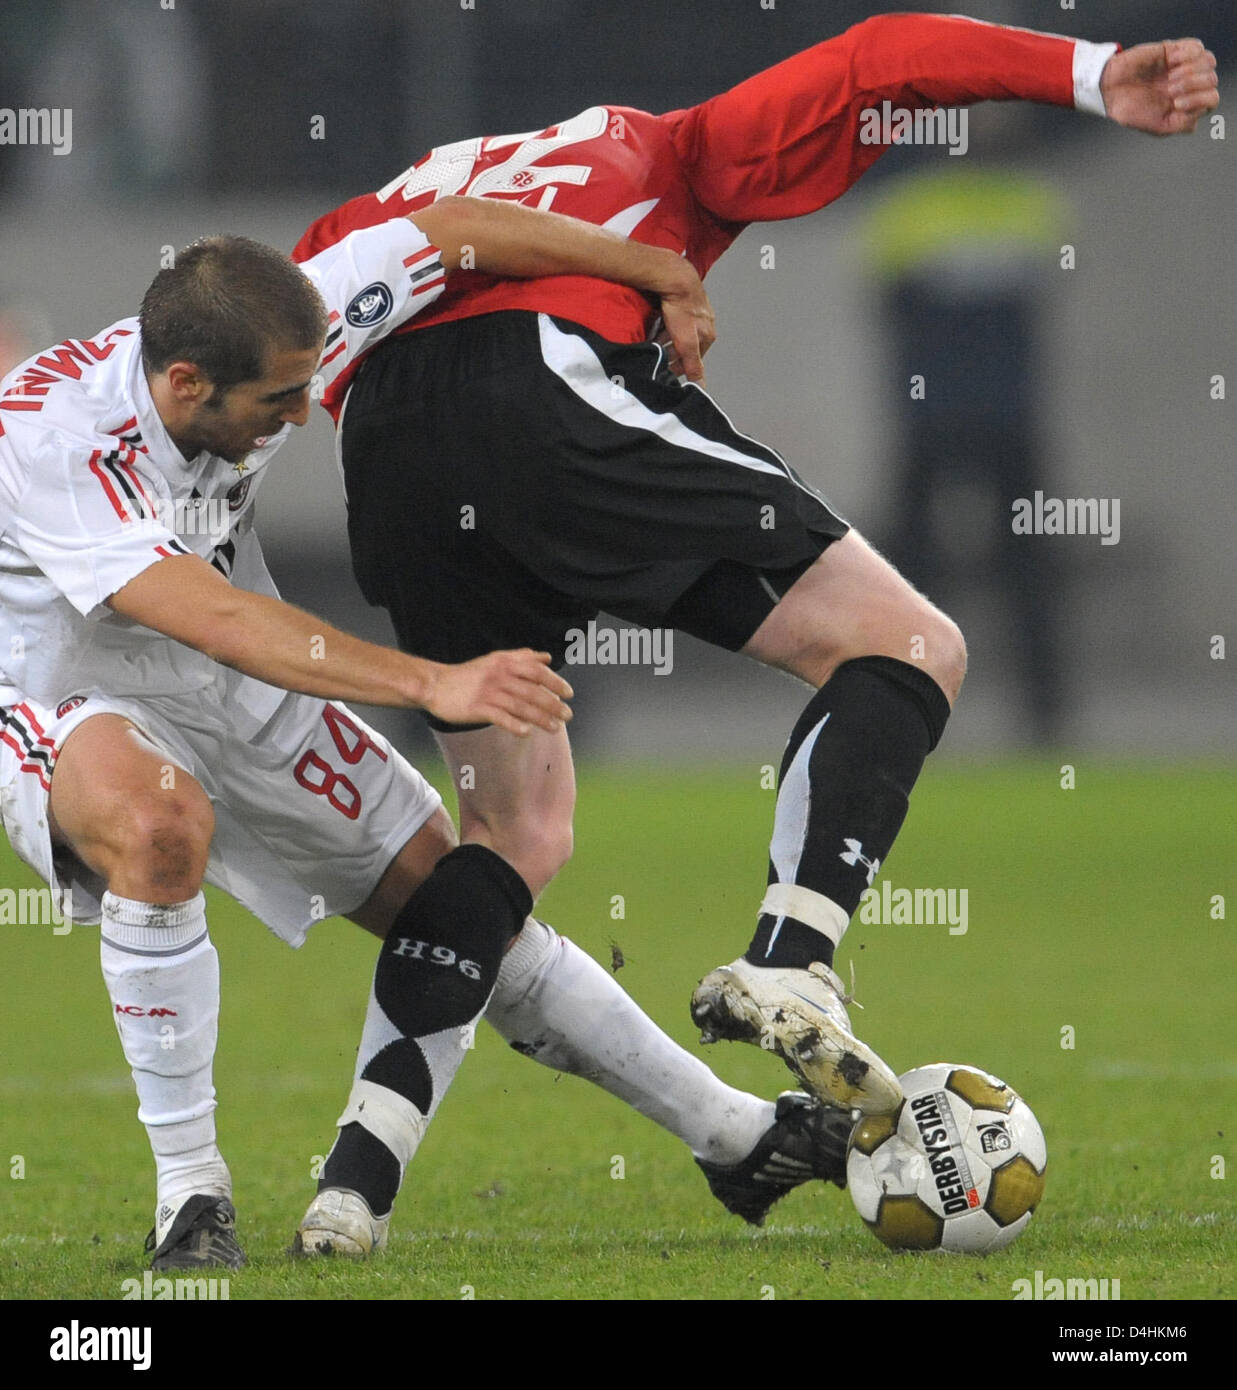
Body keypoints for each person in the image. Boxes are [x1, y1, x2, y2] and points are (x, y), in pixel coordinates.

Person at [289, 13, 1219, 1253]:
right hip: (547, 389)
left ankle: (354, 1183)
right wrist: (1091, 75)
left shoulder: (383, 203)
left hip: (392, 462)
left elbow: (277, 347)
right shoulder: (665, 150)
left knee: (512, 834)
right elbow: (881, 55)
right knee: (909, 642)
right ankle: (793, 953)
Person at [1, 194, 838, 1271]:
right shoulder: (60, 443)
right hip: (57, 685)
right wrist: (433, 681)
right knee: (162, 825)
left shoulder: (267, 324)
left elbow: (451, 233)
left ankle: (734, 1136)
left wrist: (655, 270)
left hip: (230, 676)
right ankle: (191, 1196)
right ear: (182, 387)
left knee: (457, 905)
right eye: (282, 396)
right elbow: (211, 613)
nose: (304, 413)